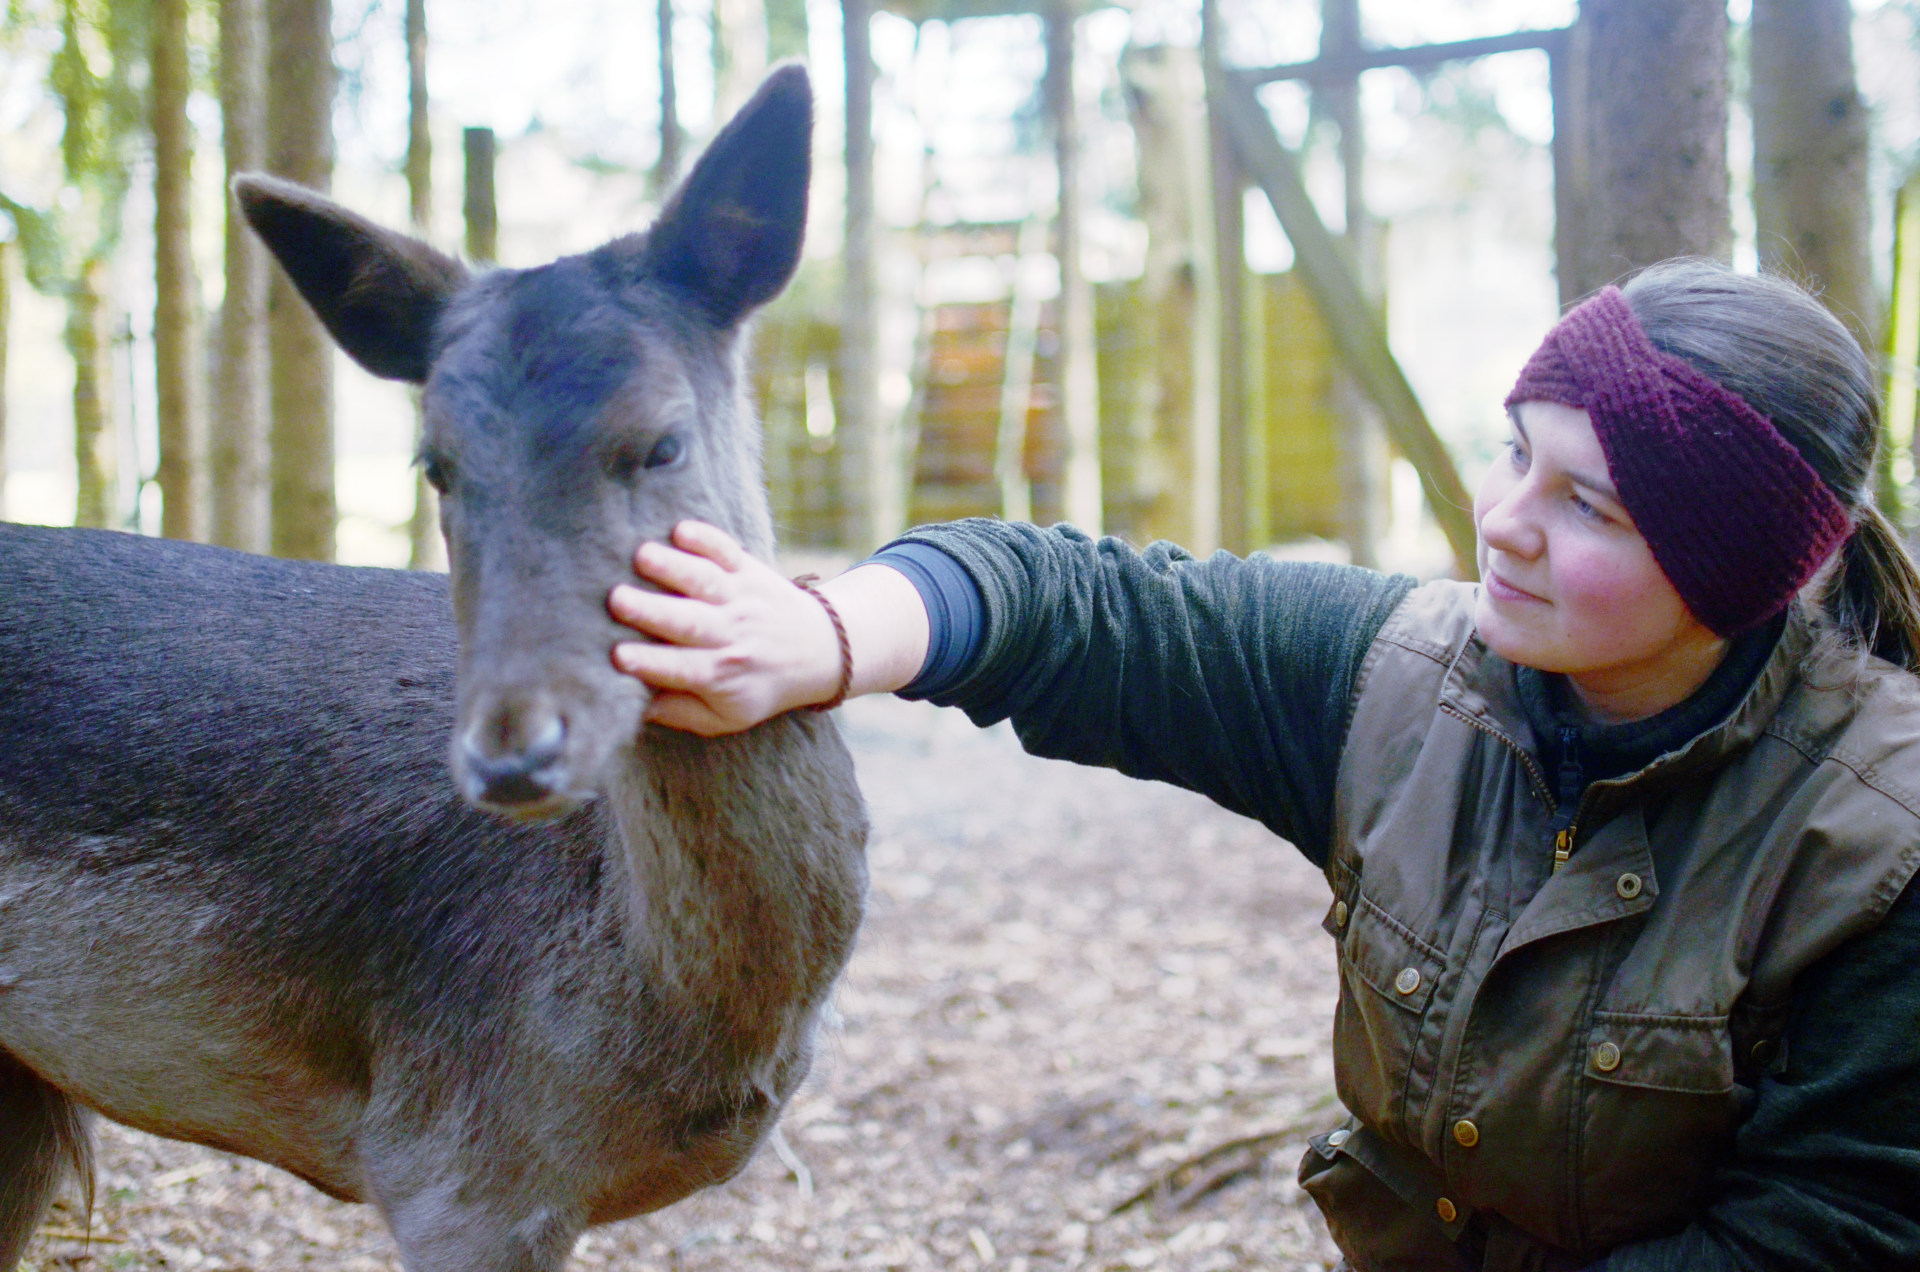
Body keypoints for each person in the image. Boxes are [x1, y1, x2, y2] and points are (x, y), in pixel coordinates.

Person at [605, 259, 1920, 1271]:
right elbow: (1078, 605)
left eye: (1587, 504)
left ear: (1735, 573)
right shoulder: (1408, 679)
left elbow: (1824, 1237)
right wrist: (818, 634)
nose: (1504, 524)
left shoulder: (1878, 845)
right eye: (1518, 452)